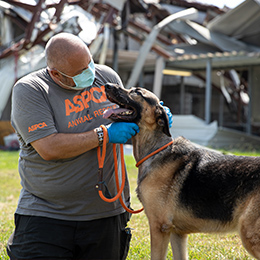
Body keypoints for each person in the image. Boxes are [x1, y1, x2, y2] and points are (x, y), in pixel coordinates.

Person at [7, 32, 172, 260]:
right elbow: (49, 148)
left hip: (106, 215)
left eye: (90, 63)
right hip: (47, 215)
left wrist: (153, 121)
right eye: (81, 72)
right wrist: (104, 134)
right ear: (56, 73)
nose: (90, 74)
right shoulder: (31, 90)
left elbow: (131, 125)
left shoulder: (105, 76)